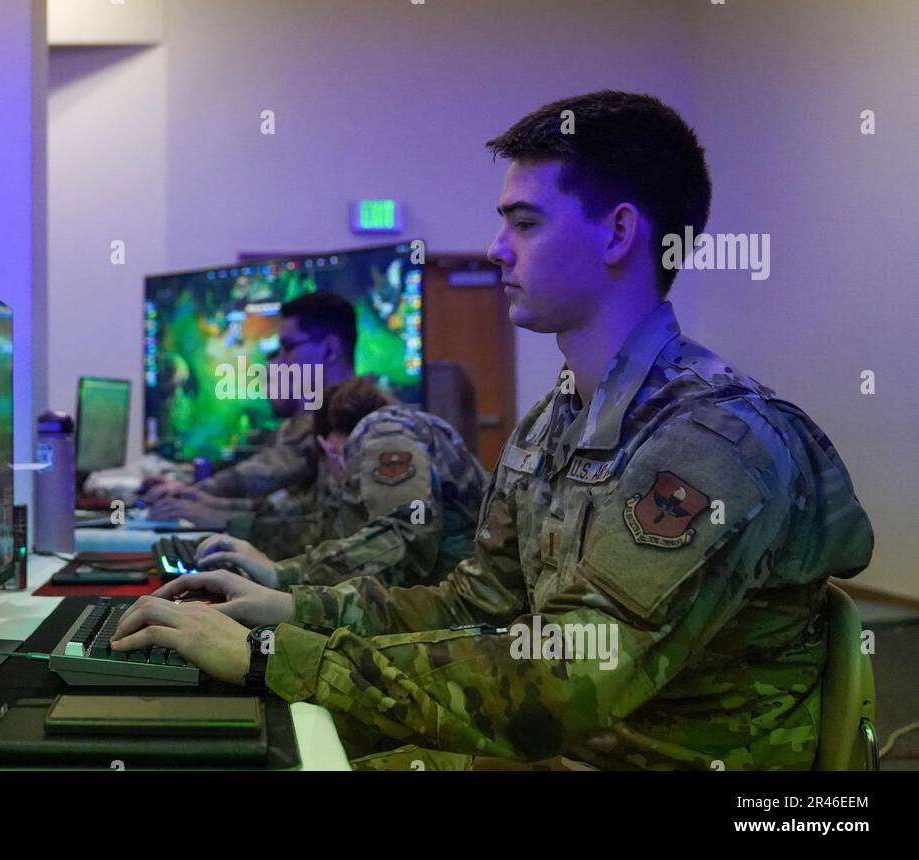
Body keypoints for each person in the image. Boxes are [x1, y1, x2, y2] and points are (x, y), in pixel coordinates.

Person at [108, 91, 874, 770]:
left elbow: (559, 689)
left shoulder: (712, 442)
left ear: (618, 235)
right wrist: (292, 611)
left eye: (526, 223)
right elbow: (474, 607)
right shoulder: (554, 422)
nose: (495, 247)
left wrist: (272, 656)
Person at [196, 377, 487, 589]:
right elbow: (320, 525)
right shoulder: (395, 431)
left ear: (328, 447)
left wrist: (283, 574)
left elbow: (403, 543)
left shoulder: (382, 431)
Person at [145, 291, 360, 559]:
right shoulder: (326, 413)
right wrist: (203, 500)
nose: (279, 361)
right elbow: (283, 508)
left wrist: (202, 500)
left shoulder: (351, 416)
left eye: (288, 347)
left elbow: (270, 480)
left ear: (330, 348)